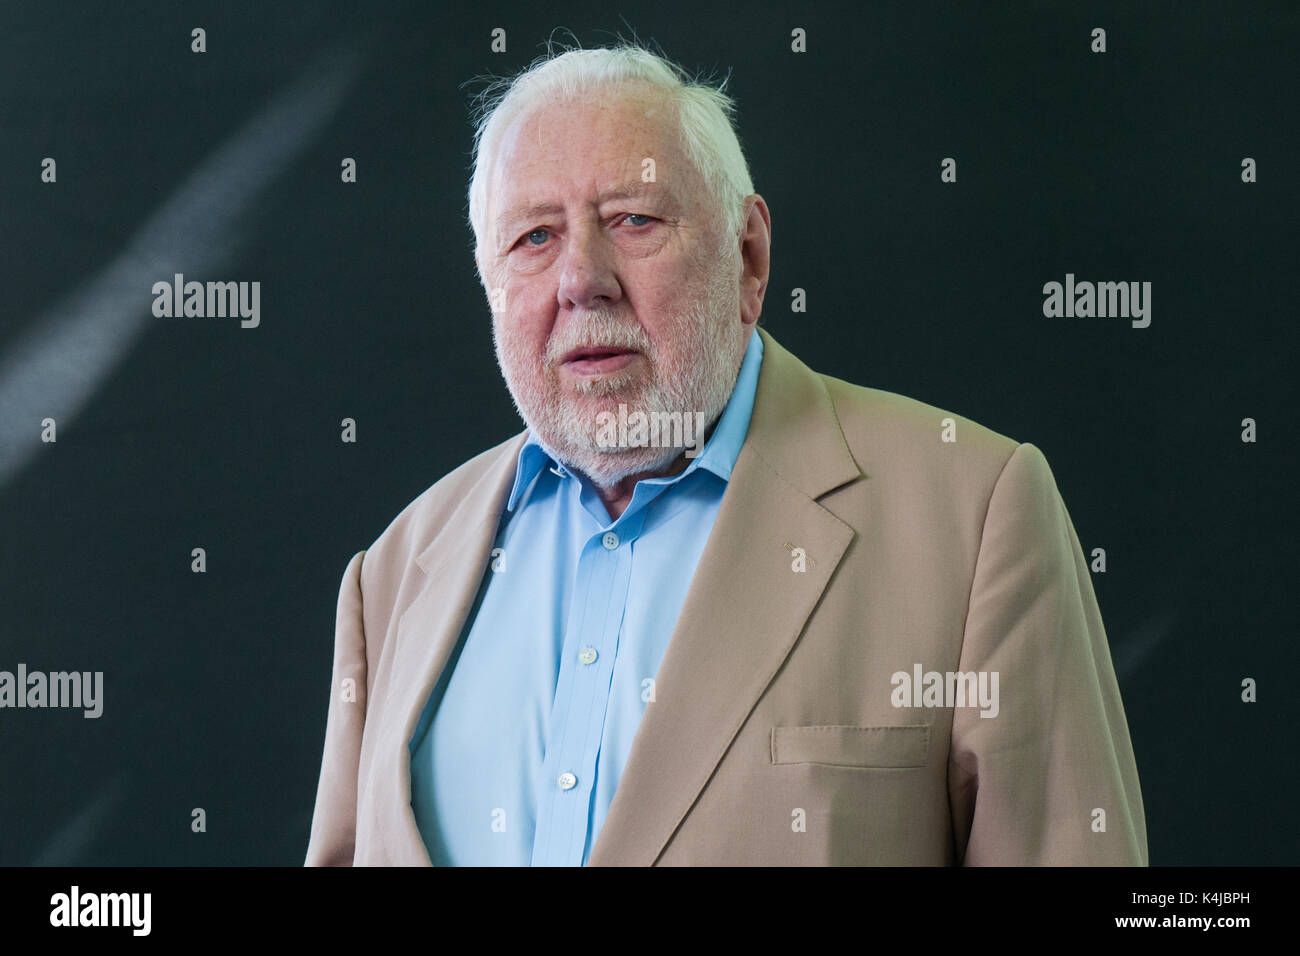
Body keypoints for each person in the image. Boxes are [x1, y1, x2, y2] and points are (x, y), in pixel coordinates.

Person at [304, 43, 1147, 866]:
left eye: (633, 220)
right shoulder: (394, 574)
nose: (580, 279)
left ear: (748, 256)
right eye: (533, 237)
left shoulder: (974, 517)